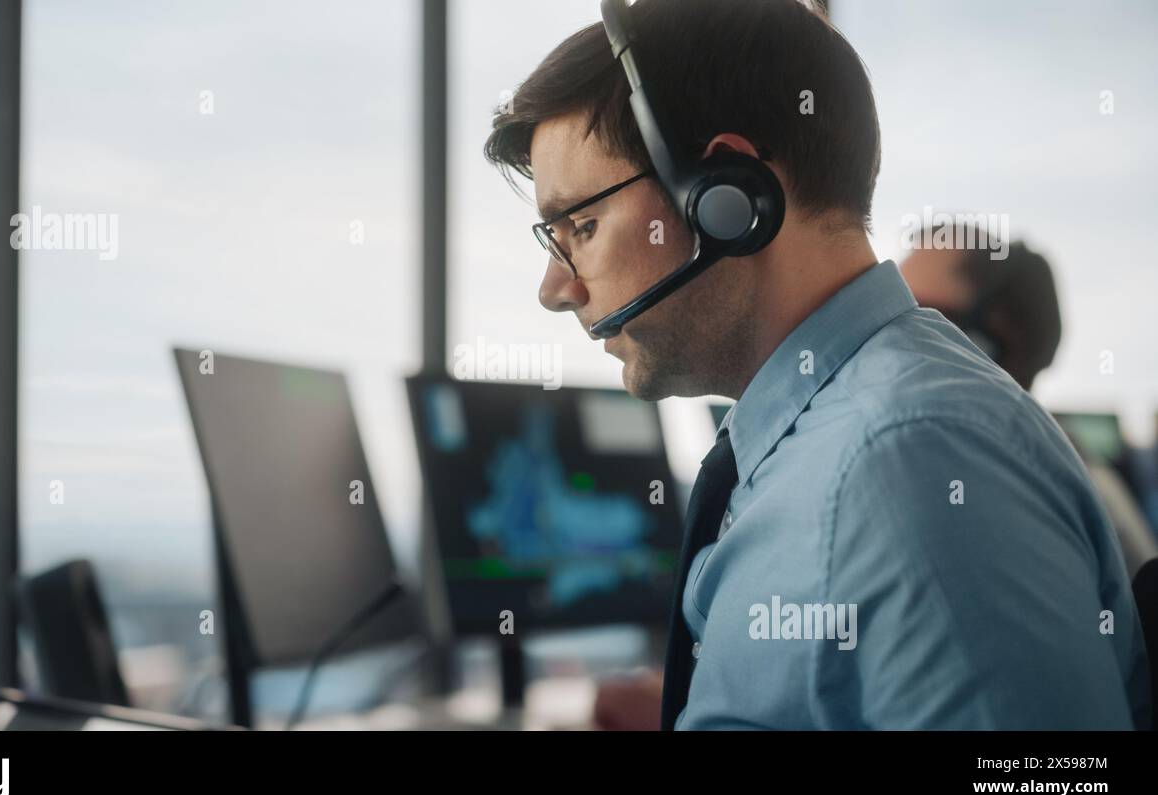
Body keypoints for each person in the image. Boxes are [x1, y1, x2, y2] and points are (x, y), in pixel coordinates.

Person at [483, 0, 1149, 729]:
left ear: (728, 196)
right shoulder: (812, 446)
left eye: (581, 225)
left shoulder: (905, 464)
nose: (555, 290)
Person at [901, 240, 1158, 580]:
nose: (884, 336)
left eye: (915, 315)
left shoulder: (1011, 492)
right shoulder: (1058, 459)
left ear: (983, 342)